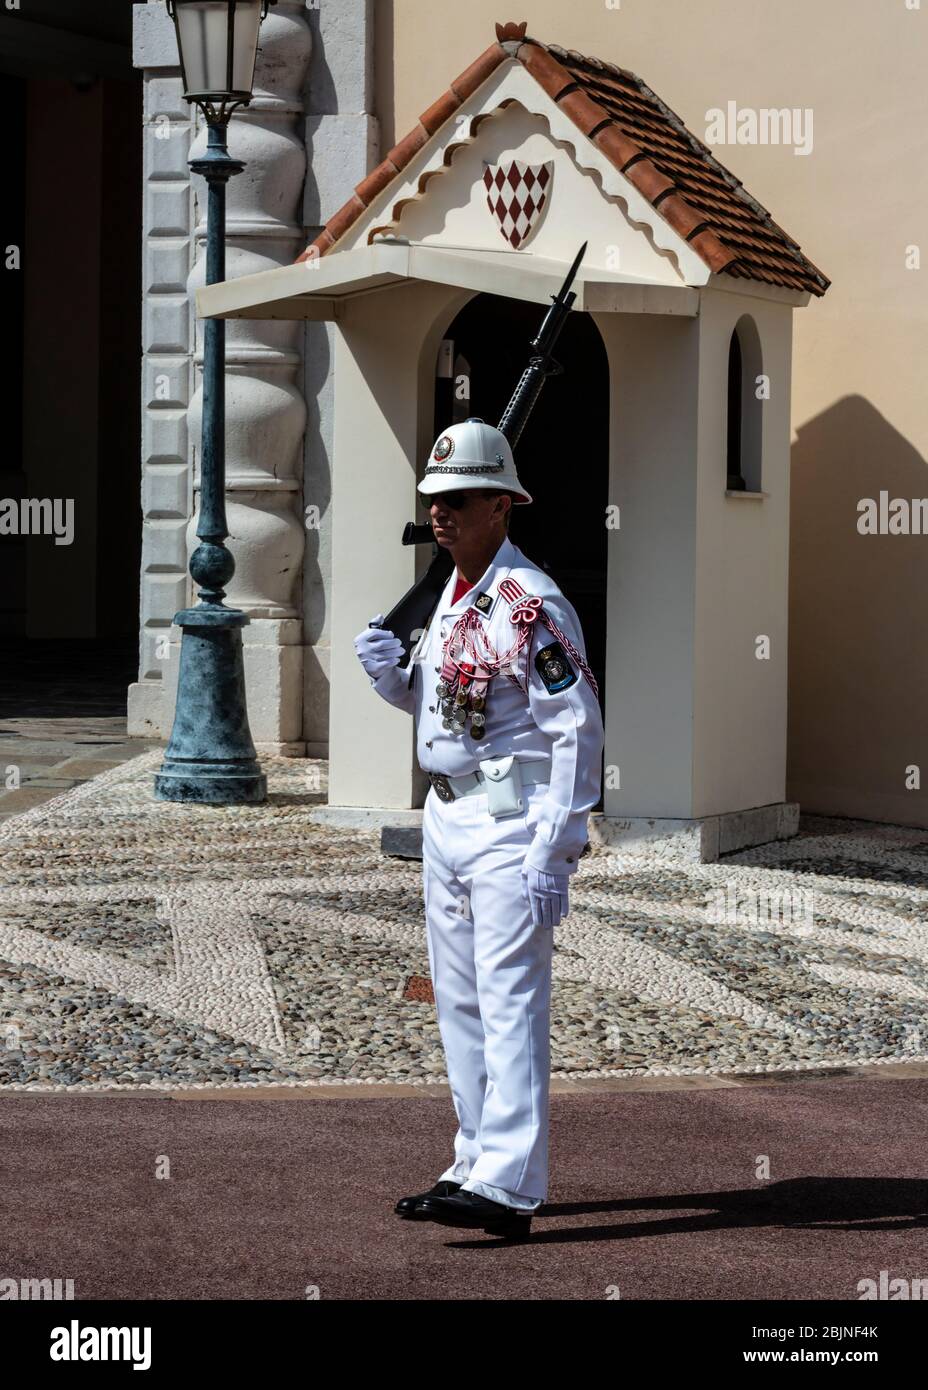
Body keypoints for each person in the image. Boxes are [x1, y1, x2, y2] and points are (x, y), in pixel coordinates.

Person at [353, 417, 604, 1240]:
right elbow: (456, 713)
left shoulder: (530, 602)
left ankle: (509, 1184)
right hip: (449, 817)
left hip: (511, 823)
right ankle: (472, 1161)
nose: (442, 512)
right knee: (457, 1000)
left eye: (460, 499)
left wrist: (558, 848)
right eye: (435, 499)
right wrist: (397, 684)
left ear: (503, 505)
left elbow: (575, 728)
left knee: (509, 1002)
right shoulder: (451, 597)